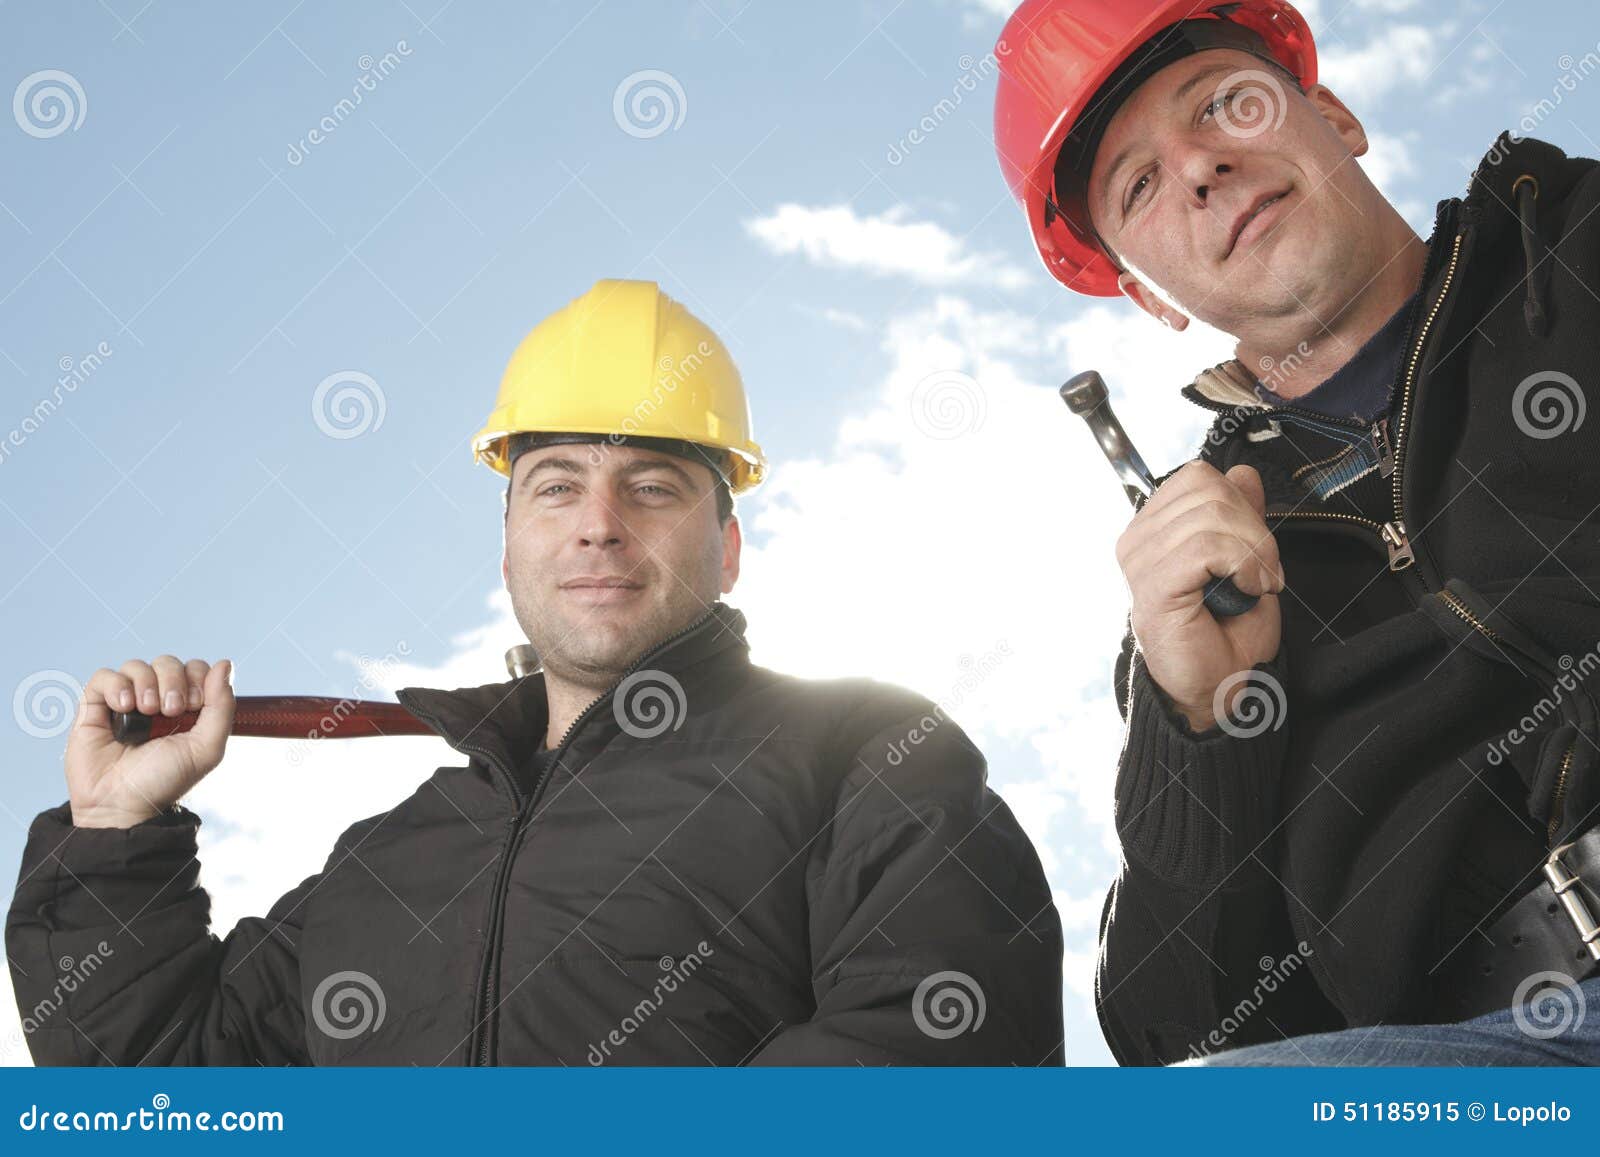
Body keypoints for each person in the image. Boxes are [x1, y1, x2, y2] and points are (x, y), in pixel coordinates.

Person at [6, 279, 1064, 1066]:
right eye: (556, 486)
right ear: (509, 545)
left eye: (651, 486)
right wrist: (111, 839)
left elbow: (944, 1059)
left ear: (729, 548)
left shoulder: (868, 754)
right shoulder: (385, 862)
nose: (598, 526)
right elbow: (157, 1097)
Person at [994, 0, 1600, 1064]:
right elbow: (1175, 1027)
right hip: (1491, 1075)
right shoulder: (1199, 601)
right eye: (1138, 184)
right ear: (1148, 300)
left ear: (1334, 115)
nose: (1196, 168)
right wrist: (1200, 729)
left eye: (1225, 105)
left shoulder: (1582, 244)